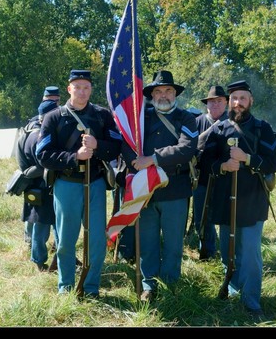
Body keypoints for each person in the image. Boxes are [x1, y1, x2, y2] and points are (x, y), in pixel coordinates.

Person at [36, 69, 122, 297]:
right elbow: (42, 154)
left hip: (95, 184)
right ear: (69, 89)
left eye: (86, 87)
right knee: (65, 240)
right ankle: (65, 287)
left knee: (96, 241)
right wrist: (74, 158)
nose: (82, 92)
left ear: (91, 89)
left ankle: (91, 287)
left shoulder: (103, 116)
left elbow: (116, 147)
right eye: (77, 87)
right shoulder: (54, 117)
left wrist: (97, 146)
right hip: (67, 184)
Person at [203, 80, 276, 317]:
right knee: (229, 249)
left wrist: (247, 158)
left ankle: (251, 300)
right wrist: (223, 165)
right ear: (229, 101)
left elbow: (273, 163)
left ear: (250, 101)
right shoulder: (217, 130)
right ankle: (234, 289)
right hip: (225, 199)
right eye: (234, 98)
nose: (238, 103)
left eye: (243, 98)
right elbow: (205, 162)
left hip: (253, 201)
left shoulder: (262, 128)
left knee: (250, 253)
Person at [122, 70, 198, 302]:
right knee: (148, 241)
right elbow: (126, 143)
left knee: (174, 243)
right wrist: (134, 162)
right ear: (151, 94)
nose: (163, 95)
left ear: (175, 93)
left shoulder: (187, 119)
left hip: (175, 188)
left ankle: (171, 283)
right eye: (158, 91)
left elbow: (186, 149)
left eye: (168, 90)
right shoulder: (140, 118)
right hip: (146, 189)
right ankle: (149, 285)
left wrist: (152, 159)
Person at [18, 99, 59, 271]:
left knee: (40, 226)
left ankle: (44, 259)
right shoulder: (40, 137)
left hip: (32, 187)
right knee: (49, 226)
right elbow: (46, 163)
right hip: (46, 186)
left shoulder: (25, 135)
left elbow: (21, 164)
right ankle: (41, 260)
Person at [192, 85, 229, 260]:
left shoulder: (233, 123)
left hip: (226, 179)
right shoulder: (198, 122)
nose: (215, 105)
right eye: (212, 101)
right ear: (207, 104)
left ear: (226, 103)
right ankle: (207, 252)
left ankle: (227, 255)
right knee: (201, 219)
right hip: (202, 178)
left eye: (219, 101)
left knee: (225, 219)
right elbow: (191, 146)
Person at [24, 85, 61, 246]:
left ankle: (50, 245)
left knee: (47, 216)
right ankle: (31, 245)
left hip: (47, 178)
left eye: (56, 101)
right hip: (38, 177)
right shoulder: (34, 126)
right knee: (37, 217)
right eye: (50, 100)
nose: (53, 103)